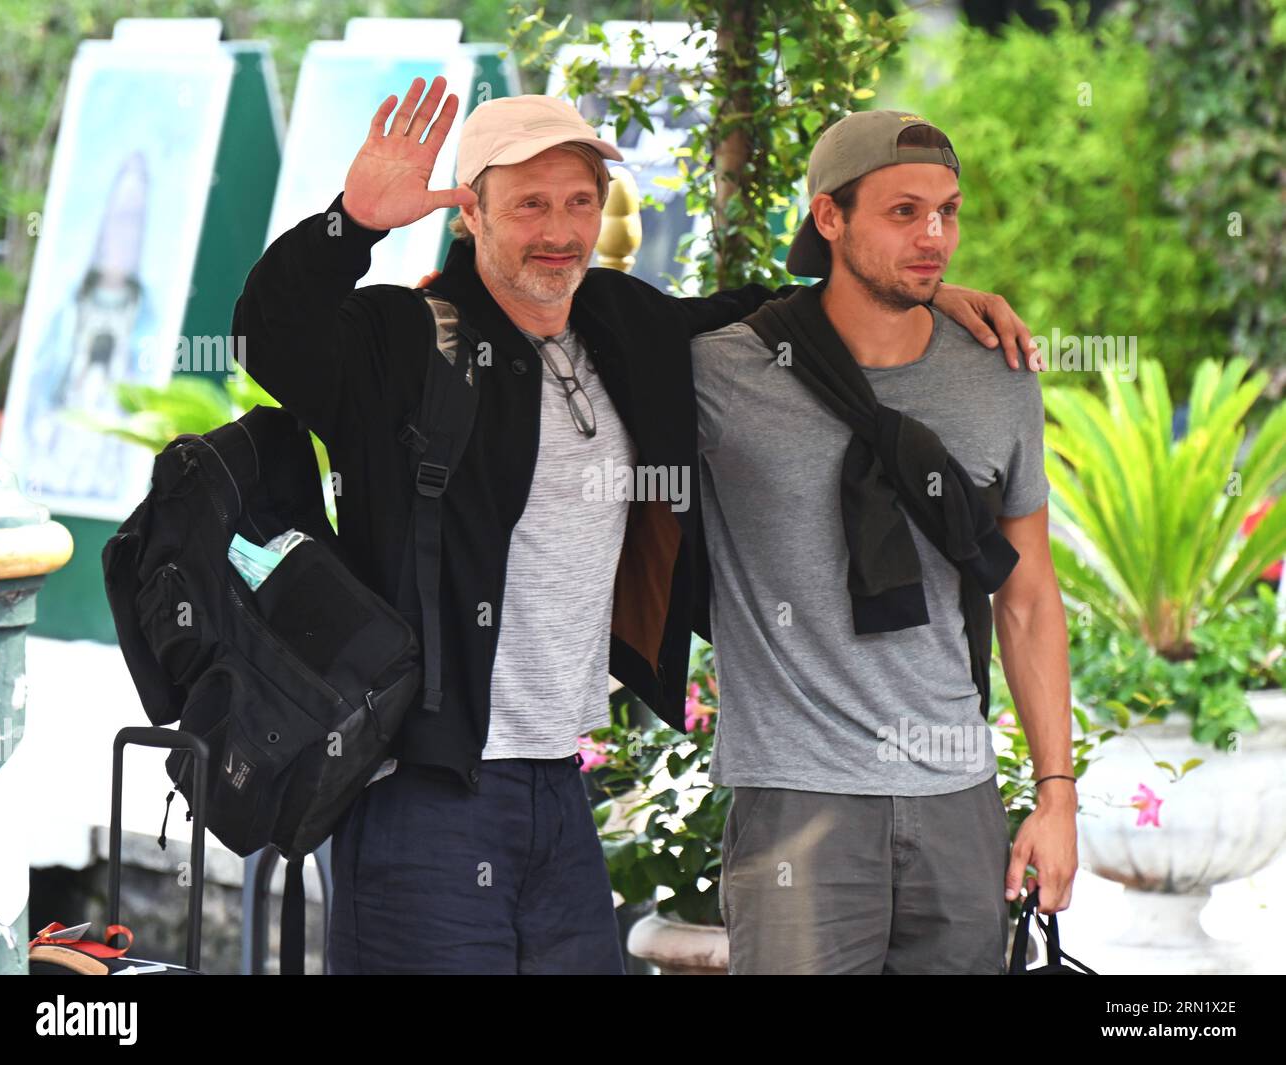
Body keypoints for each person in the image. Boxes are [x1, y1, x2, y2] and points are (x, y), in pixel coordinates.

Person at [232, 78, 1041, 974]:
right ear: (471, 214)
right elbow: (268, 337)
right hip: (423, 785)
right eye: (529, 203)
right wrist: (354, 223)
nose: (559, 228)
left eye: (581, 201)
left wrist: (929, 286)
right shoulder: (406, 338)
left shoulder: (618, 323)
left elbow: (783, 318)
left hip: (555, 783)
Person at [692, 109, 1075, 974]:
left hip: (957, 795)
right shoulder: (725, 370)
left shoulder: (997, 371)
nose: (935, 235)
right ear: (829, 218)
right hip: (800, 801)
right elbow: (600, 327)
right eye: (903, 212)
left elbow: (1027, 592)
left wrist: (1057, 794)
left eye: (948, 210)